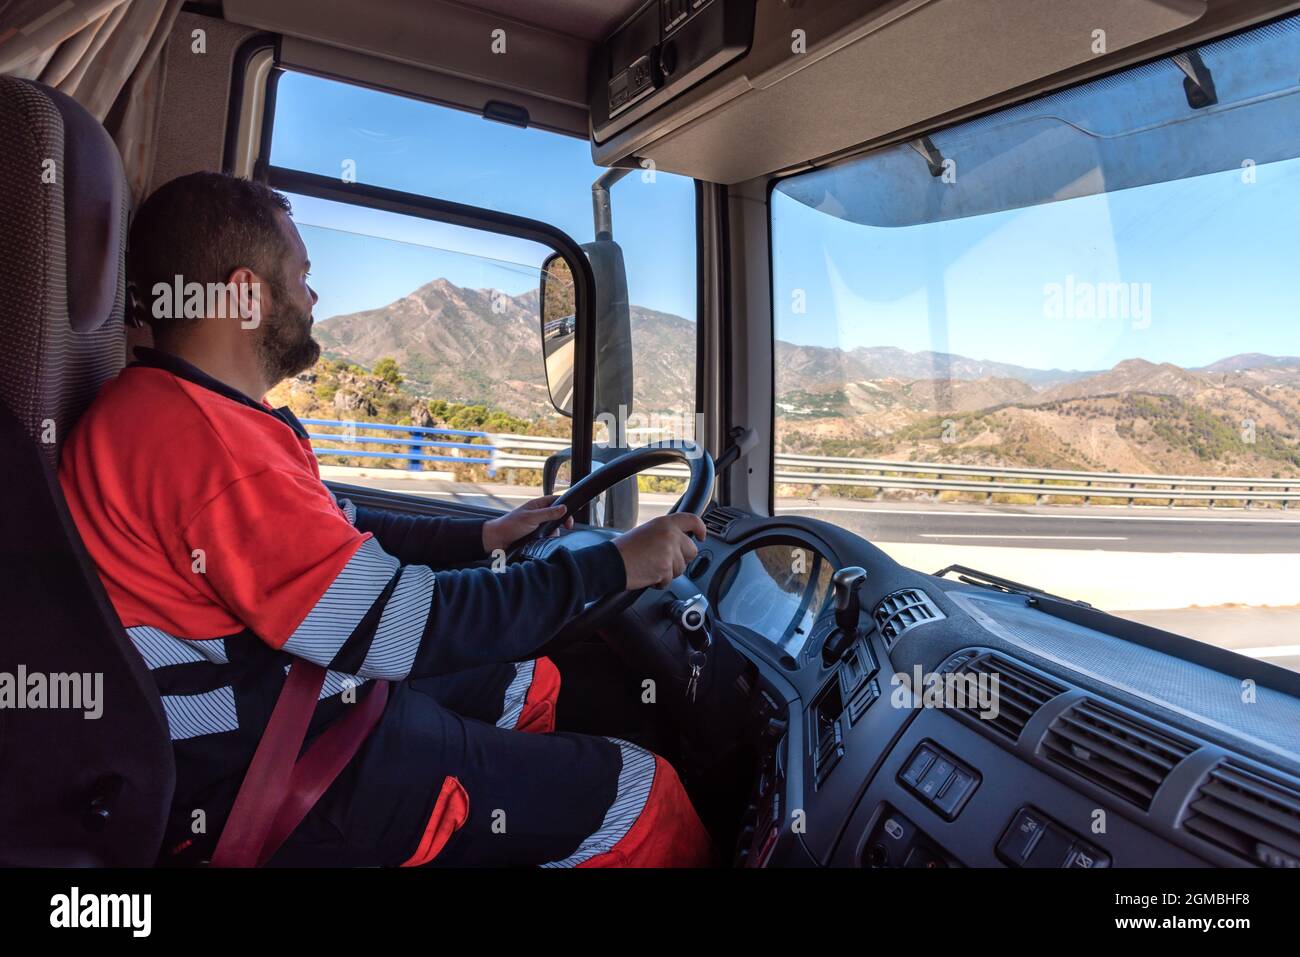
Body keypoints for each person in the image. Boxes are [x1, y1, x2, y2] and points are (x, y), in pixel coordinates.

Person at [59, 171, 713, 867]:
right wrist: (613, 564)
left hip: (298, 693)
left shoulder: (187, 413)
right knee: (643, 796)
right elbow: (401, 627)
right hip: (273, 774)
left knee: (533, 684)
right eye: (301, 275)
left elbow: (340, 523)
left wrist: (482, 535)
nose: (314, 297)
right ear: (246, 294)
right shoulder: (206, 448)